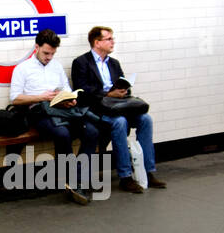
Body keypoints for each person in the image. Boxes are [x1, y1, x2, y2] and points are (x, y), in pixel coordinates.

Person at [69, 26, 166, 193]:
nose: (113, 42)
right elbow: (82, 91)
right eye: (109, 39)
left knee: (146, 120)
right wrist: (108, 93)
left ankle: (147, 172)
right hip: (97, 110)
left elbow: (123, 85)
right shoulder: (81, 63)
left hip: (117, 106)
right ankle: (125, 176)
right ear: (97, 42)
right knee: (120, 123)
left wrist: (123, 91)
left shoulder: (114, 63)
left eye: (112, 38)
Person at [9, 29, 101, 205]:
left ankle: (79, 177)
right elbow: (15, 98)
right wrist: (42, 97)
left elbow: (66, 88)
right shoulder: (22, 68)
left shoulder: (56, 66)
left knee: (92, 131)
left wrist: (69, 99)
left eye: (52, 53)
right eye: (45, 53)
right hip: (38, 111)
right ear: (36, 47)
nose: (49, 57)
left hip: (62, 110)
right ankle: (73, 182)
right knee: (62, 134)